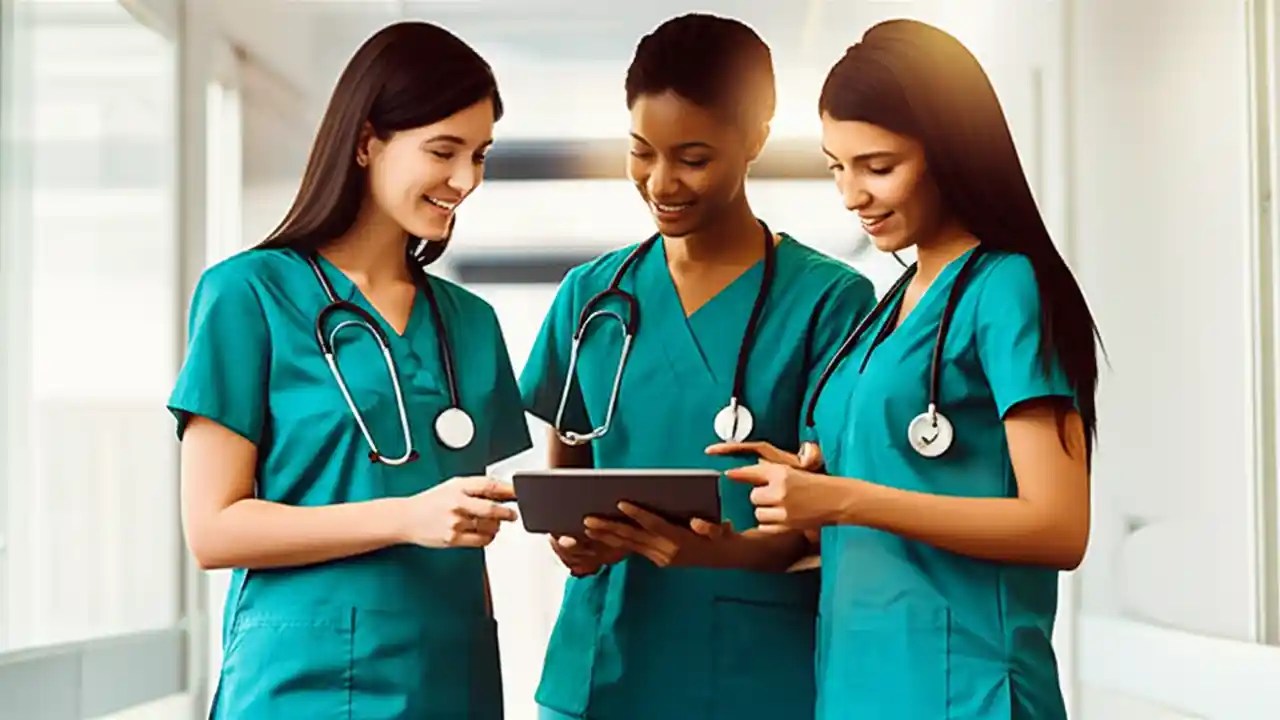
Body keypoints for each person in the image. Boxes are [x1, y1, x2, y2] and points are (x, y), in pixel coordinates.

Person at [717, 19, 1100, 719]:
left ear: (951, 150)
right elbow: (872, 506)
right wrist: (807, 494)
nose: (851, 194)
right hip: (858, 682)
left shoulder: (1006, 287)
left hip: (967, 688)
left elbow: (1059, 526)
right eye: (837, 165)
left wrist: (843, 498)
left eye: (879, 165)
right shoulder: (886, 307)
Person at [518, 13, 877, 720]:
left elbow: (831, 513)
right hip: (603, 667)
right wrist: (573, 543)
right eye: (641, 151)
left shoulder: (830, 301)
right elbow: (567, 479)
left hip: (755, 674)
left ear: (756, 140)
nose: (660, 182)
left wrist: (721, 552)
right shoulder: (593, 298)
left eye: (692, 156)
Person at [168, 22, 530, 719]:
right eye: (443, 151)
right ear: (366, 141)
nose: (466, 179)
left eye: (480, 155)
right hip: (303, 682)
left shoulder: (470, 323)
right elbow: (214, 530)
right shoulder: (249, 295)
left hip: (449, 677)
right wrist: (404, 517)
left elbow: (466, 534)